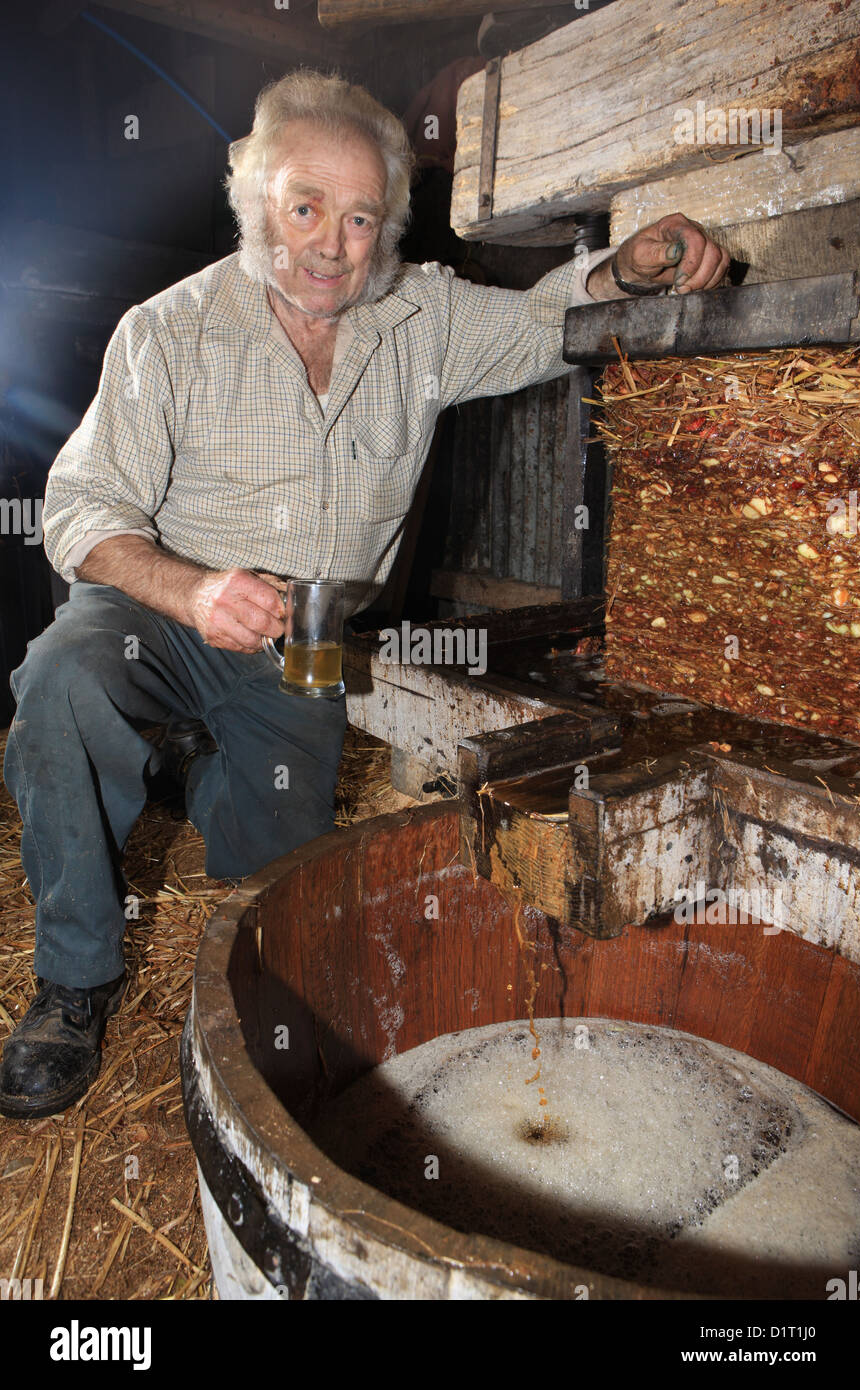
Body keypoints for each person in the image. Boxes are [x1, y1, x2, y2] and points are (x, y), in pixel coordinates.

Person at [0, 69, 729, 1119]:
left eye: (358, 217)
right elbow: (77, 512)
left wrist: (629, 267)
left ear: (385, 228)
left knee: (285, 895)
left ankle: (195, 771)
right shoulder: (167, 331)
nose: (329, 244)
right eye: (303, 206)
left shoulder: (418, 317)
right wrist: (195, 590)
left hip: (301, 639)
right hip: (159, 615)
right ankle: (74, 980)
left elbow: (535, 325)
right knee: (62, 679)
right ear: (253, 199)